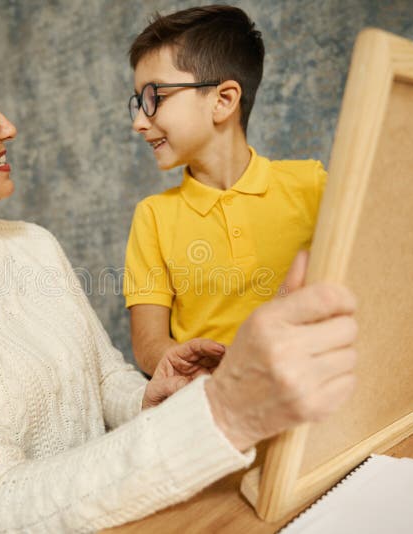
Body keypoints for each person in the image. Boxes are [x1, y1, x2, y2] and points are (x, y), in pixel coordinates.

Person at [0, 15, 358, 533]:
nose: (7, 126)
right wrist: (223, 414)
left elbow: (106, 381)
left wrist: (151, 398)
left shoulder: (31, 245)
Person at [125, 5, 328, 375]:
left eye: (154, 97)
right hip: (215, 408)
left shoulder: (313, 184)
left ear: (223, 100)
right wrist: (197, 375)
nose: (139, 121)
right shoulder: (153, 216)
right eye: (138, 103)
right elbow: (148, 344)